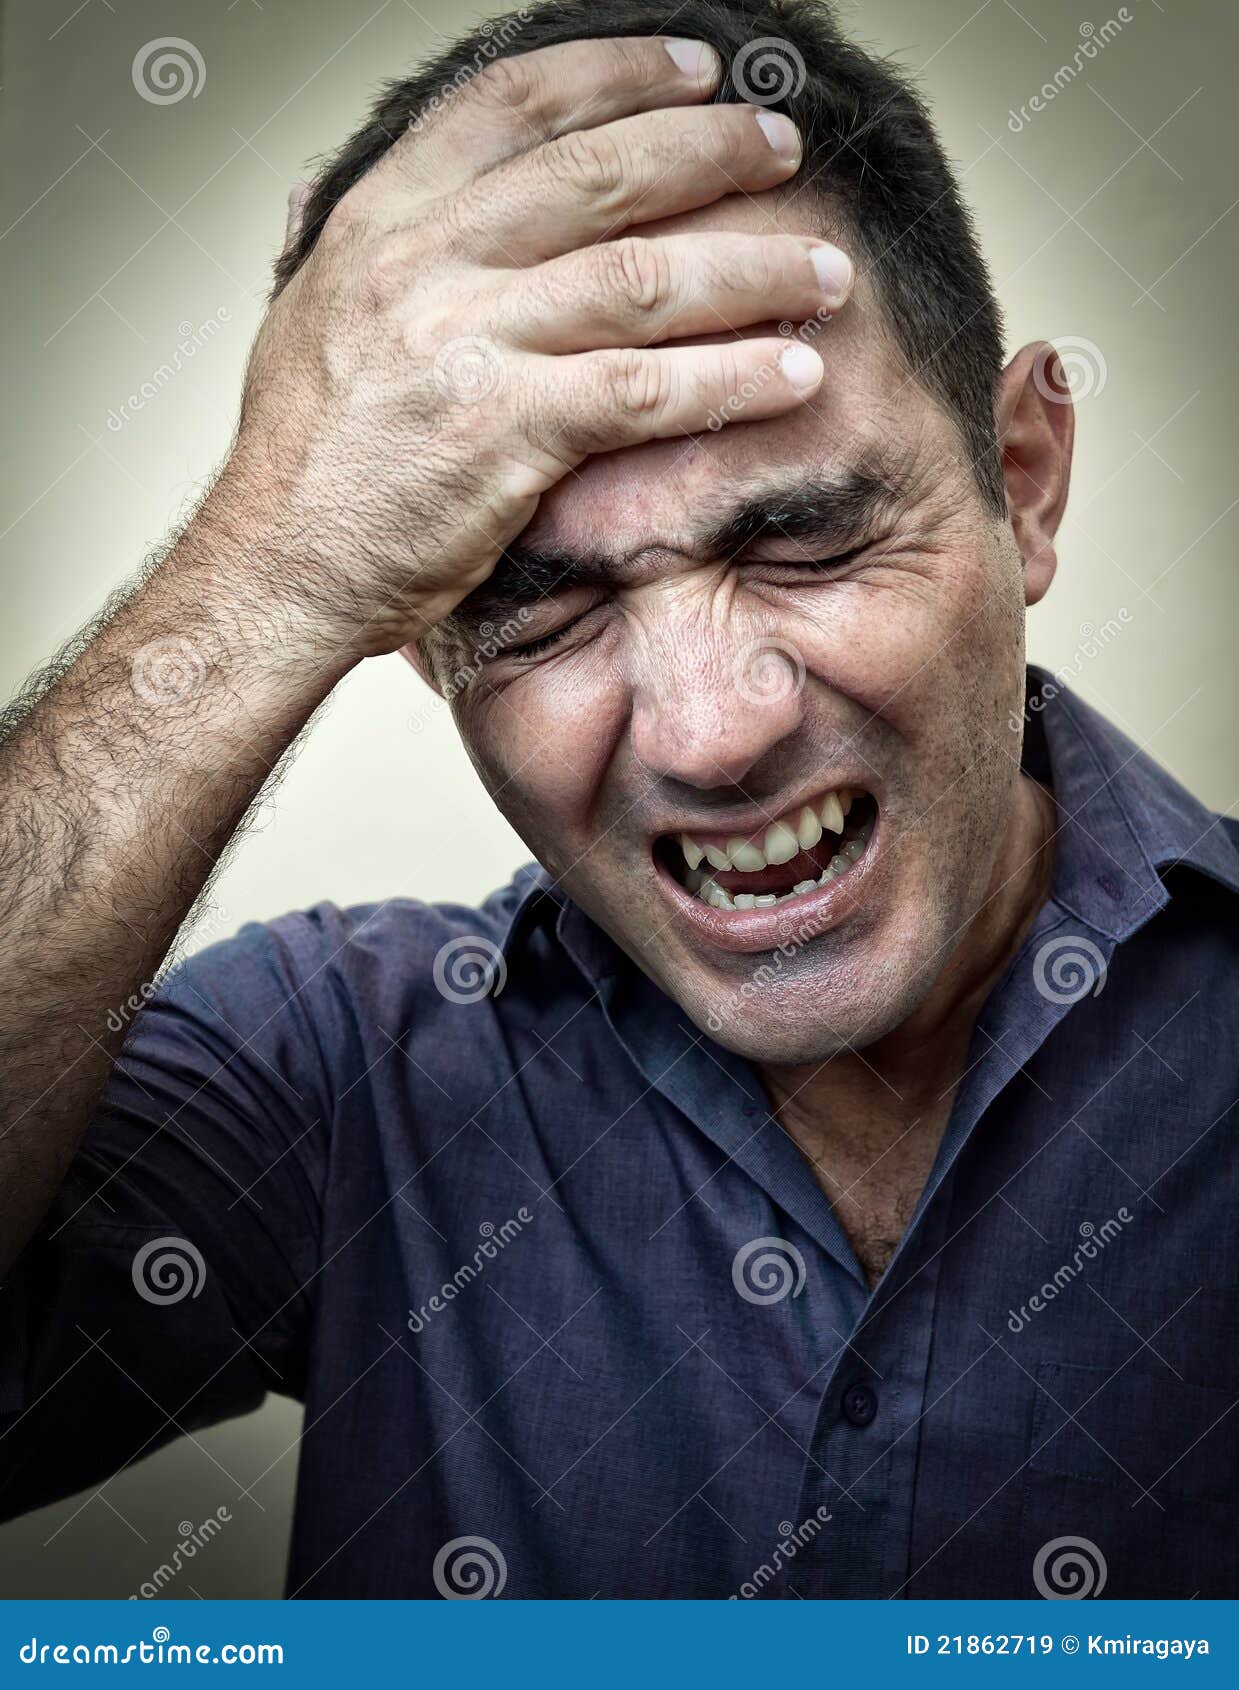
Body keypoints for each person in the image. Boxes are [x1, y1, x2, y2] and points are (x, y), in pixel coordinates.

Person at [0, 0, 1235, 1600]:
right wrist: (272, 560)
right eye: (549, 613)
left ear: (1026, 478)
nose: (713, 734)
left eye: (805, 541)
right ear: (429, 649)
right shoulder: (341, 1071)